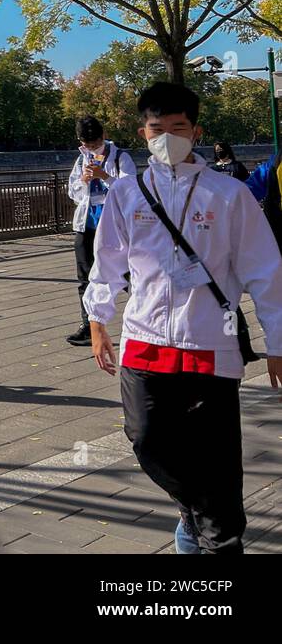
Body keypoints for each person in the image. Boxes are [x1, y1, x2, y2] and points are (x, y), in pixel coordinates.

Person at [86, 82, 282, 555]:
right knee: (146, 439)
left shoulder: (228, 194)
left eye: (178, 128)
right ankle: (199, 513)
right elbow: (108, 260)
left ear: (195, 131)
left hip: (209, 342)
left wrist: (278, 343)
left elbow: (265, 272)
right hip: (144, 338)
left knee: (215, 458)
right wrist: (98, 319)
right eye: (158, 128)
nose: (168, 136)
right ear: (143, 132)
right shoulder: (127, 193)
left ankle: (218, 536)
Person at [64, 116, 136, 347]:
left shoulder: (120, 158)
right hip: (87, 223)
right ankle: (87, 325)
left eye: (95, 143)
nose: (91, 148)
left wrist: (104, 176)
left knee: (125, 274)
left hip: (114, 224)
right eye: (86, 144)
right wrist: (84, 180)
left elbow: (130, 190)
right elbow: (73, 193)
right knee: (85, 277)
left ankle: (145, 316)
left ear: (103, 136)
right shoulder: (80, 160)